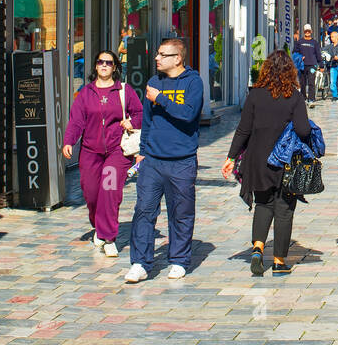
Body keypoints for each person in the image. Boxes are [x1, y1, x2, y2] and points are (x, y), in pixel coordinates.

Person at [223, 51, 310, 276]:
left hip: (257, 159)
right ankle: (280, 261)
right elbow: (303, 129)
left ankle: (258, 248)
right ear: (290, 71)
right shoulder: (294, 96)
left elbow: (243, 129)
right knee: (284, 209)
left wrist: (231, 157)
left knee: (263, 204)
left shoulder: (255, 95)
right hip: (285, 162)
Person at [125, 39, 203, 283]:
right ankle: (140, 262)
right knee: (143, 211)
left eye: (162, 54)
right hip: (153, 161)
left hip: (182, 160)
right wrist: (142, 151)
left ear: (177, 58)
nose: (156, 58)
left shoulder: (193, 82)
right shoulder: (153, 82)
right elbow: (147, 121)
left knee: (181, 212)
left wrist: (162, 99)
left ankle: (179, 260)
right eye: (157, 54)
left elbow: (189, 114)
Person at [63, 50, 144, 258]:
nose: (105, 65)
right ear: (96, 66)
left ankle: (108, 237)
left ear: (115, 67)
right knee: (90, 193)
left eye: (109, 62)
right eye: (101, 62)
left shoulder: (124, 91)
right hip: (90, 151)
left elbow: (140, 113)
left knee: (109, 191)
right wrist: (69, 141)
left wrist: (132, 122)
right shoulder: (86, 93)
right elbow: (76, 121)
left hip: (117, 151)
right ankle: (99, 226)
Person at [296, 25, 322, 108]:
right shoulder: (299, 42)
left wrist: (321, 65)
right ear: (304, 31)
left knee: (311, 83)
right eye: (306, 31)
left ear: (311, 31)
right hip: (302, 66)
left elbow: (318, 54)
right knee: (302, 83)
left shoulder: (314, 43)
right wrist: (299, 57)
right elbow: (295, 52)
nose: (307, 32)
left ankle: (311, 100)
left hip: (312, 65)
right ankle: (303, 98)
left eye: (309, 31)